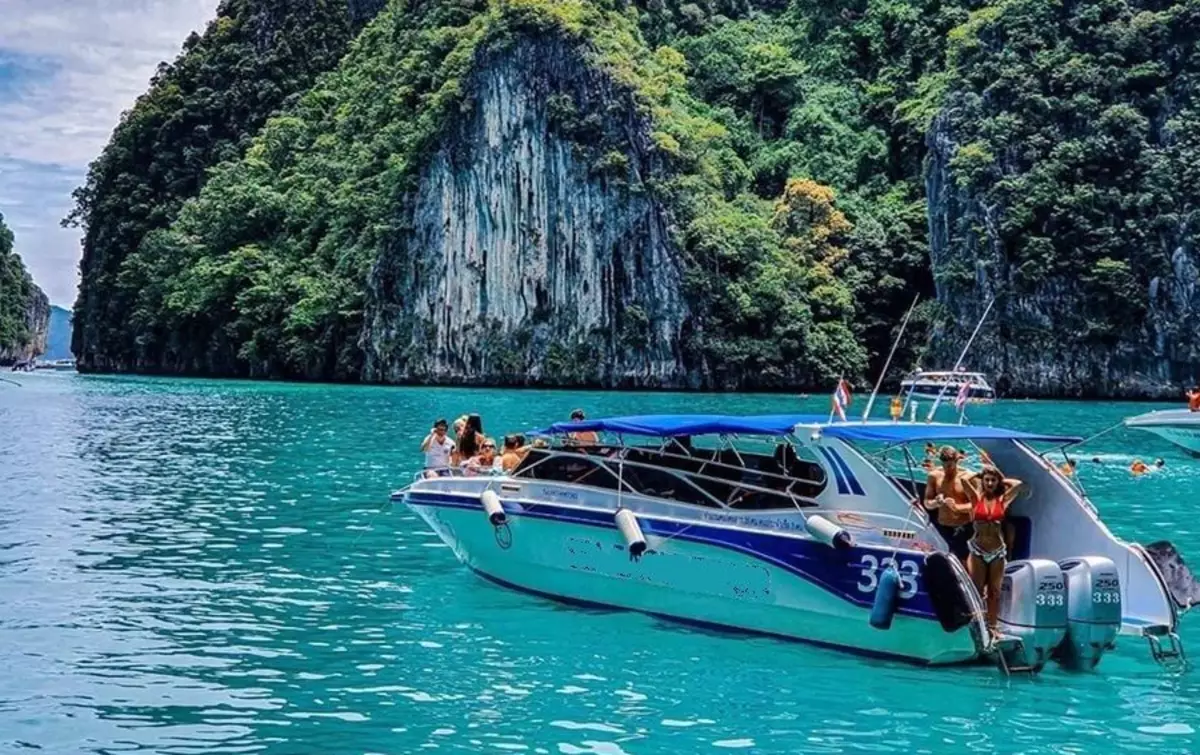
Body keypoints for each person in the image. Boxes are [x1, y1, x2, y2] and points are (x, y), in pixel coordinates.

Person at [953, 466, 1024, 635]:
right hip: (977, 550)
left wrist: (999, 476)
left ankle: (992, 626)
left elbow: (1018, 484)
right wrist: (979, 474)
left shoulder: (1003, 500)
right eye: (987, 480)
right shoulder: (976, 498)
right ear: (982, 482)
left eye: (993, 480)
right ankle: (978, 624)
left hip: (997, 552)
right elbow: (964, 480)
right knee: (977, 590)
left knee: (994, 592)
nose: (990, 483)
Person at [921, 446, 974, 562]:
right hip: (942, 526)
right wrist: (936, 503)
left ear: (956, 461)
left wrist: (957, 508)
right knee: (942, 561)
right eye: (944, 465)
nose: (947, 469)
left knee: (963, 562)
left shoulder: (968, 476)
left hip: (963, 527)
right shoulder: (934, 476)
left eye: (950, 465)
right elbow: (927, 503)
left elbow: (976, 504)